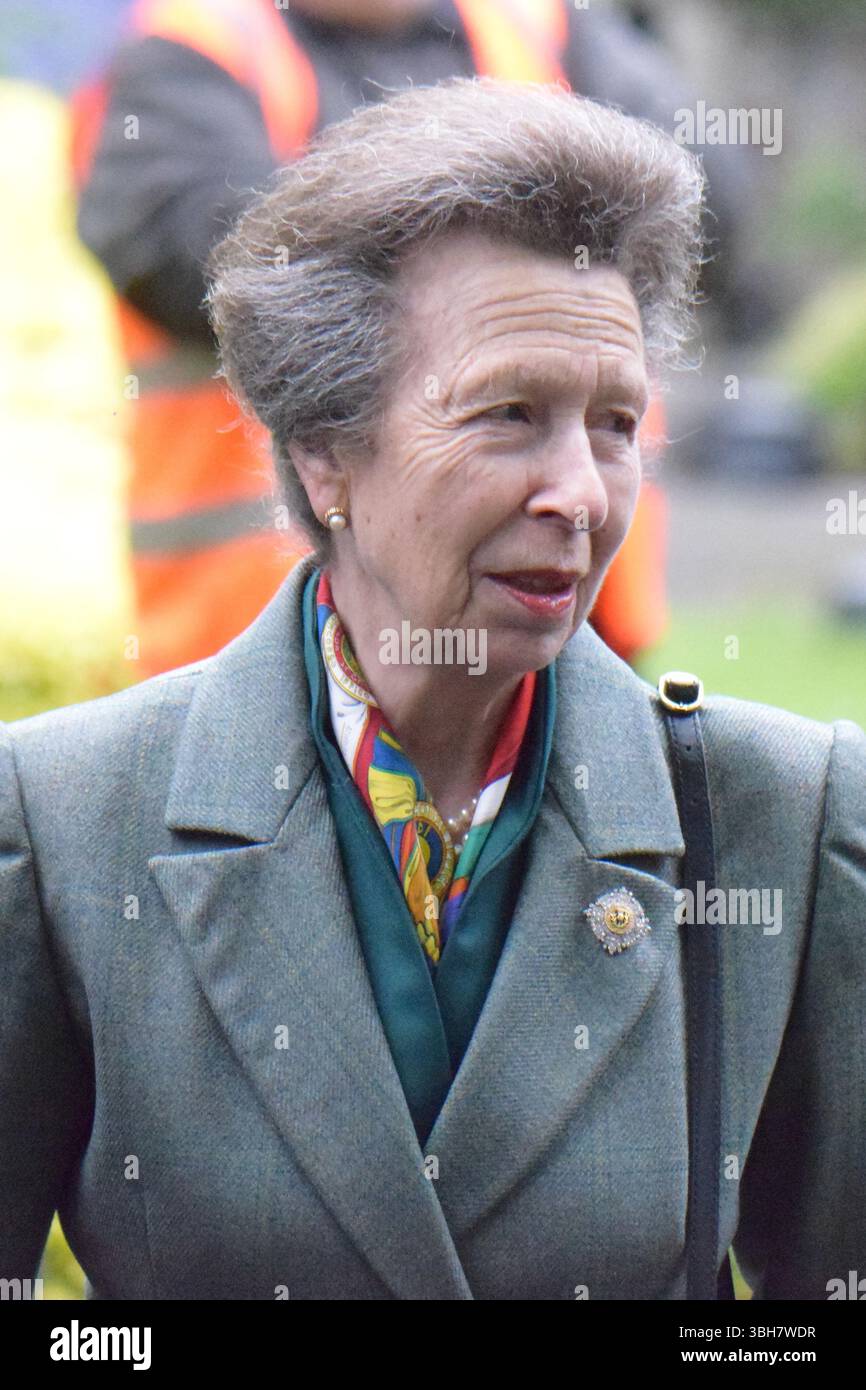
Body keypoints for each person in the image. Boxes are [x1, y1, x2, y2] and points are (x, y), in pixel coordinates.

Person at [3, 78, 863, 1300]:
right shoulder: (65, 820)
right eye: (509, 414)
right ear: (325, 448)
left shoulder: (777, 814)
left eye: (614, 424)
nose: (579, 491)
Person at [70, 0, 750, 675]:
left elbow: (703, 210)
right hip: (256, 653)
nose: (582, 488)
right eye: (505, 409)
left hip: (576, 642)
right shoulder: (196, 50)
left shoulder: (538, 24)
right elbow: (211, 255)